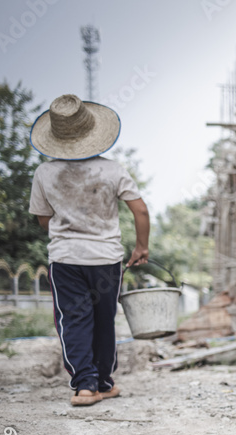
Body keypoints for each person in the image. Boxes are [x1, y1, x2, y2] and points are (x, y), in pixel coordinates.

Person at [28, 94, 149, 406]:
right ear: (92, 131)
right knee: (104, 320)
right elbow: (140, 210)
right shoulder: (113, 170)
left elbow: (43, 219)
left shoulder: (44, 173)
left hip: (65, 259)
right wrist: (141, 247)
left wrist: (68, 232)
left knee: (74, 320)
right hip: (106, 259)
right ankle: (104, 382)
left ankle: (85, 386)